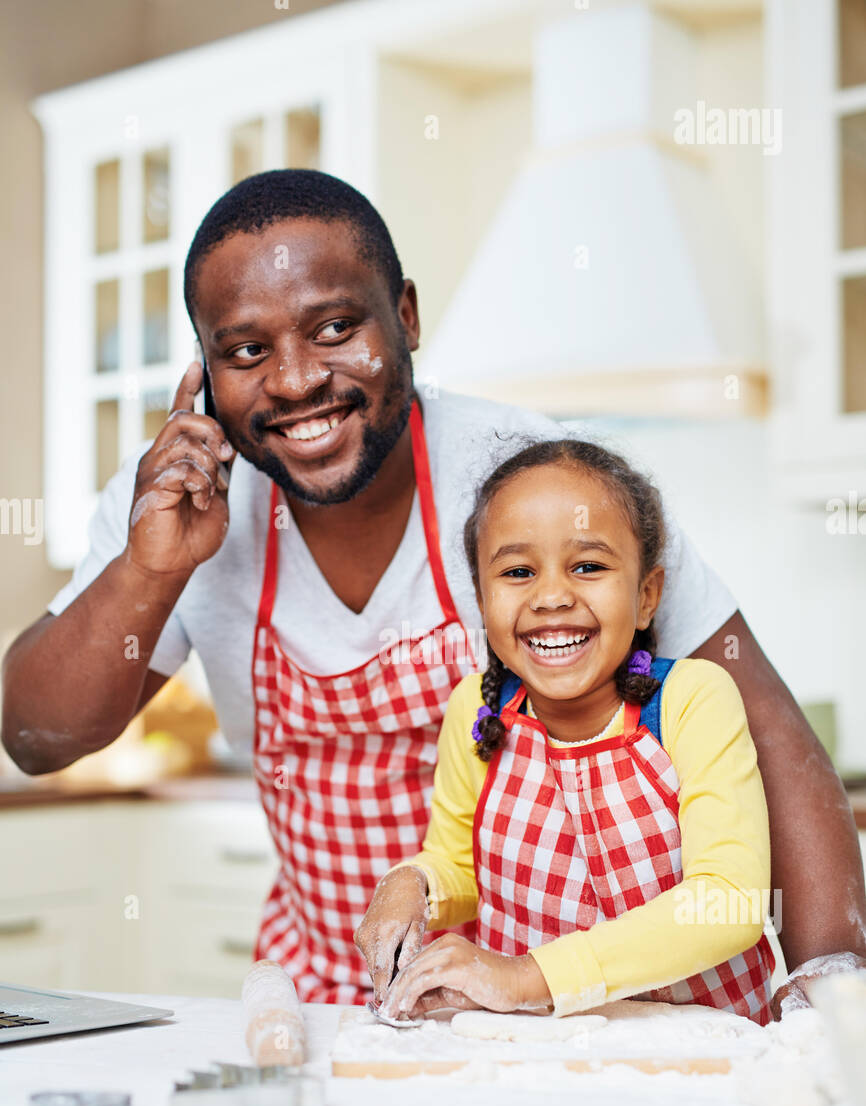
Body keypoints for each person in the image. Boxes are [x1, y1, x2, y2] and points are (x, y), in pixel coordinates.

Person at [2, 170, 863, 1011]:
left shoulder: (532, 482)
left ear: (404, 315)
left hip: (562, 994)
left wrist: (831, 992)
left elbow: (770, 736)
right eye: (246, 350)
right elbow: (35, 736)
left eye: (335, 326)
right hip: (335, 1000)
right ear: (206, 369)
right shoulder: (173, 498)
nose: (296, 379)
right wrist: (150, 569)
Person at [364, 439, 775, 1023]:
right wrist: (413, 883)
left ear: (645, 597)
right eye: (517, 571)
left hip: (699, 1052)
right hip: (531, 1049)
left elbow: (728, 904)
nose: (552, 597)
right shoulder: (475, 712)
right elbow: (459, 865)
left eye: (588, 566)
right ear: (481, 600)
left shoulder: (693, 700)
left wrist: (524, 977)